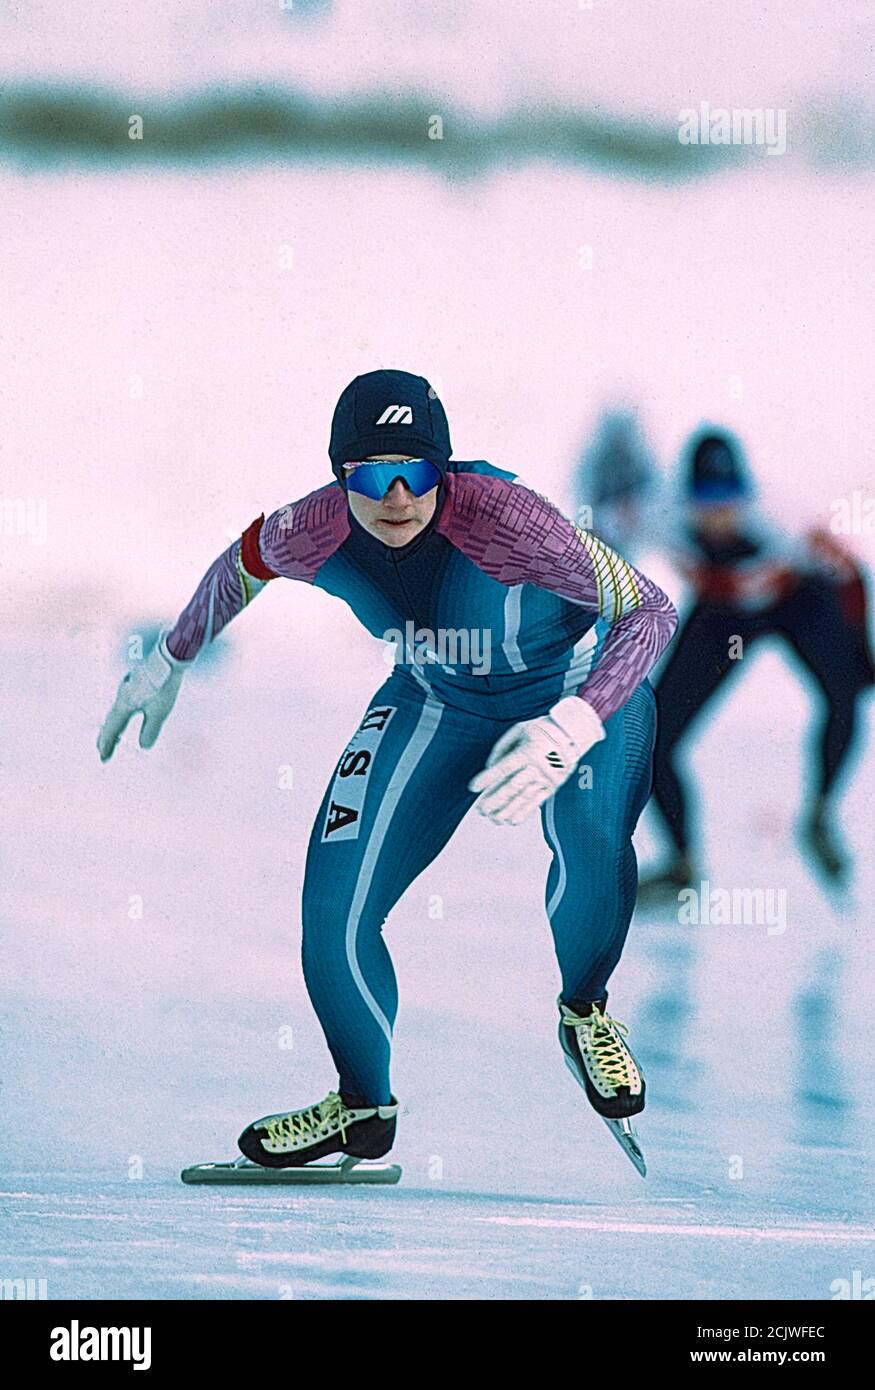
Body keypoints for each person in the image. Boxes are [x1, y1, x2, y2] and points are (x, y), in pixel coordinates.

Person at [98, 369, 677, 1169]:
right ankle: (361, 1110)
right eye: (373, 474)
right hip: (434, 698)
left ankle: (584, 1011)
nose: (398, 495)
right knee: (333, 915)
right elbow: (238, 568)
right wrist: (169, 659)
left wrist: (575, 722)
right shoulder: (312, 527)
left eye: (419, 472)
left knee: (586, 833)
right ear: (342, 477)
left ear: (446, 471)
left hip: (576, 689)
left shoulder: (510, 522)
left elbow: (649, 608)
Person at [640, 427, 873, 898]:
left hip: (797, 600)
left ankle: (819, 816)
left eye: (730, 498)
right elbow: (599, 548)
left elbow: (851, 574)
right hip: (724, 612)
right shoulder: (658, 512)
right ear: (687, 496)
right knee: (654, 736)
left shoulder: (780, 517)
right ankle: (682, 863)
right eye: (707, 499)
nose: (721, 513)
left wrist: (860, 654)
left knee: (844, 697)